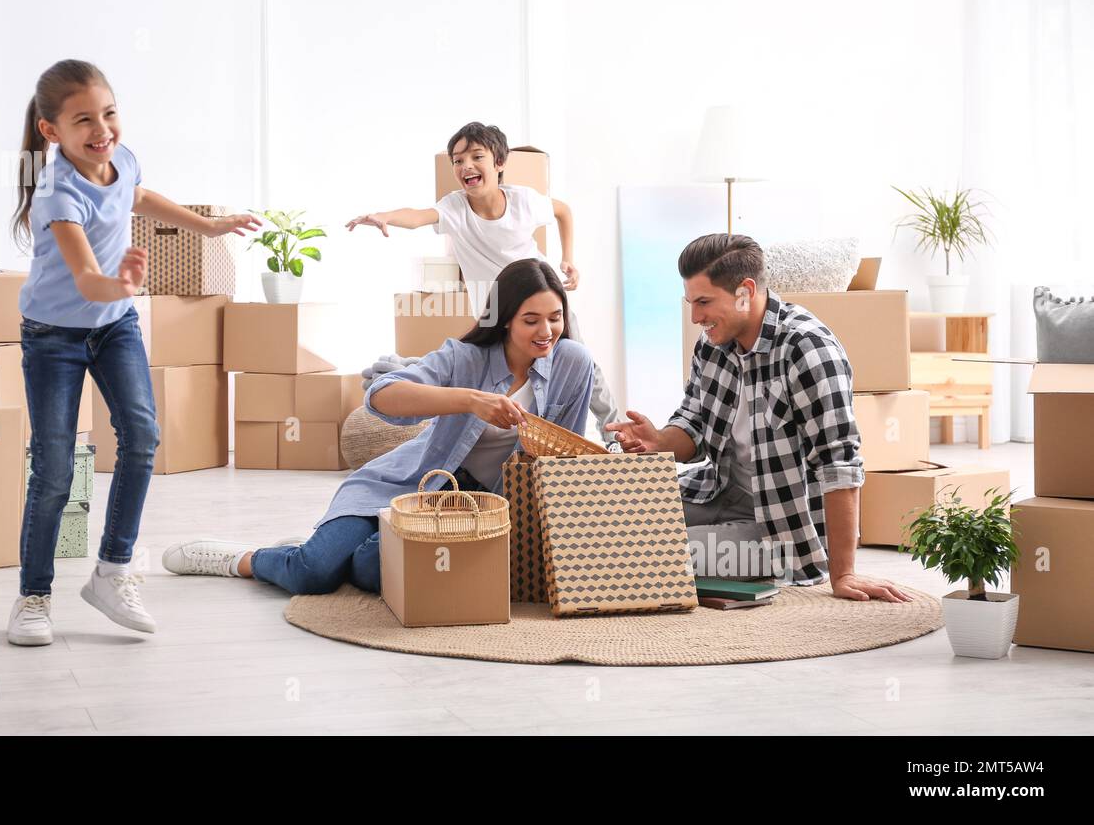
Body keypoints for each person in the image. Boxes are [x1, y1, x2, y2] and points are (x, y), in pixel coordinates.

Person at [7, 58, 260, 645]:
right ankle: (33, 595)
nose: (102, 130)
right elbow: (86, 279)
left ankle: (112, 573)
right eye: (83, 121)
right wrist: (120, 285)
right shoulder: (56, 193)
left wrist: (209, 227)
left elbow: (138, 196)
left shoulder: (121, 159)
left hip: (114, 325)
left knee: (142, 436)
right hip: (53, 336)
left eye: (109, 113)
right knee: (53, 470)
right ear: (51, 131)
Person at [161, 258, 596, 594]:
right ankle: (243, 559)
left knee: (371, 570)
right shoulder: (465, 359)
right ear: (504, 318)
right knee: (312, 575)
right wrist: (470, 400)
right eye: (531, 320)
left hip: (480, 507)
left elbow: (566, 457)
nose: (546, 331)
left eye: (555, 317)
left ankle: (330, 548)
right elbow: (382, 395)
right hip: (409, 484)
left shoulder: (573, 363)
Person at [607, 233, 912, 602]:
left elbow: (839, 464)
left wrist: (844, 574)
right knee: (609, 522)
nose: (695, 317)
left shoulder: (807, 349)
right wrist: (658, 440)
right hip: (717, 492)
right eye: (691, 303)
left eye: (704, 302)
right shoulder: (712, 344)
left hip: (781, 533)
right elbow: (693, 423)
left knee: (648, 552)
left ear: (745, 292)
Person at [345, 121, 621, 443]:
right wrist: (386, 217)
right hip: (497, 310)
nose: (467, 166)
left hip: (542, 301)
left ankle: (614, 435)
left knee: (581, 364)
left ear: (499, 162)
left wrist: (568, 258)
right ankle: (413, 375)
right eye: (458, 160)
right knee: (484, 368)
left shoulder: (523, 201)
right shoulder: (455, 207)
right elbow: (418, 216)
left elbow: (563, 211)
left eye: (477, 157)